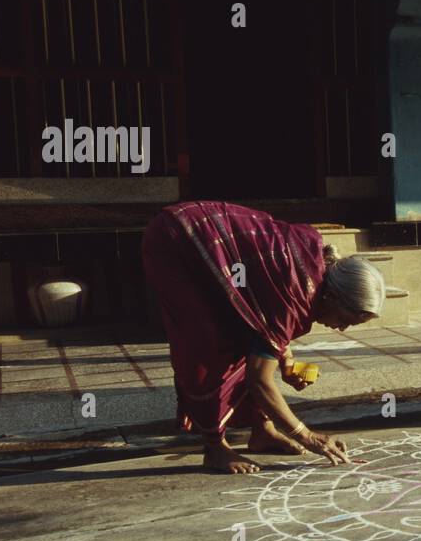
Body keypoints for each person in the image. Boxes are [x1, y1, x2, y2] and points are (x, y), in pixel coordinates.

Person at [142, 200, 386, 474]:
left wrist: (285, 358)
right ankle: (214, 447)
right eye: (344, 319)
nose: (340, 328)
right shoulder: (294, 292)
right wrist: (305, 435)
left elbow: (263, 319)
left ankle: (262, 431)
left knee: (248, 338)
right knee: (212, 343)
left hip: (209, 240)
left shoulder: (309, 272)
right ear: (330, 296)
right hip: (178, 240)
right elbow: (259, 379)